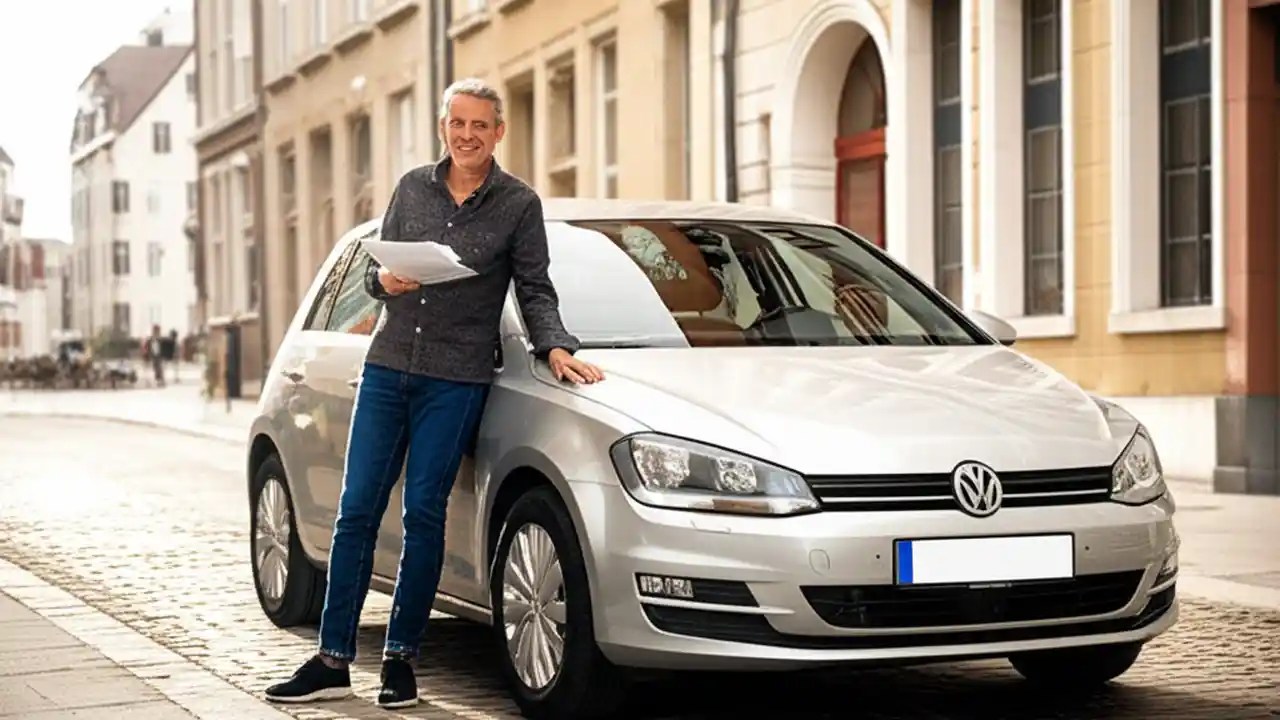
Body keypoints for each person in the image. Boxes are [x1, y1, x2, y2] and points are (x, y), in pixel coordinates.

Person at [263, 78, 604, 709]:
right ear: (442, 126)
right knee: (356, 509)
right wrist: (384, 279)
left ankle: (400, 659)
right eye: (458, 123)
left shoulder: (518, 205)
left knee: (424, 514)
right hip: (389, 367)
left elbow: (534, 287)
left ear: (498, 132)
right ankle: (333, 657)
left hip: (455, 378)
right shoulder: (411, 188)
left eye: (480, 125)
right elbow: (373, 274)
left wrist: (555, 345)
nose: (467, 135)